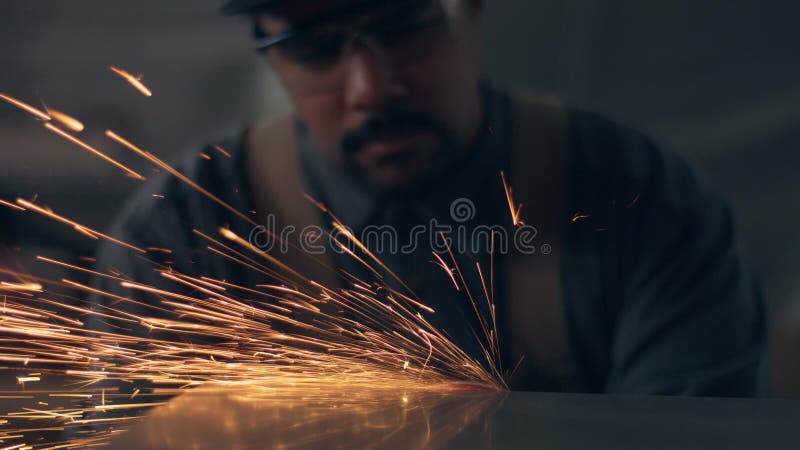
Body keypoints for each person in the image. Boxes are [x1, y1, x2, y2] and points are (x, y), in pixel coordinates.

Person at [91, 0, 766, 395]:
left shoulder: (638, 199)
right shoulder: (187, 224)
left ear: (470, 12)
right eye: (315, 48)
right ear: (270, 56)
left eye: (404, 24)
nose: (370, 89)